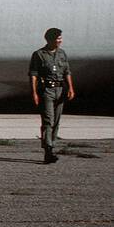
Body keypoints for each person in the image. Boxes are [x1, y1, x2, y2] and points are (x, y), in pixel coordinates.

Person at [29, 27, 74, 164]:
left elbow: (67, 72)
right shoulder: (39, 54)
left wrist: (71, 88)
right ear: (50, 40)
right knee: (48, 120)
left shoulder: (62, 54)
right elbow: (33, 75)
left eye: (60, 38)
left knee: (56, 121)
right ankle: (48, 150)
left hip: (60, 90)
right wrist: (34, 93)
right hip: (47, 90)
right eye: (58, 38)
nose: (60, 41)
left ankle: (51, 145)